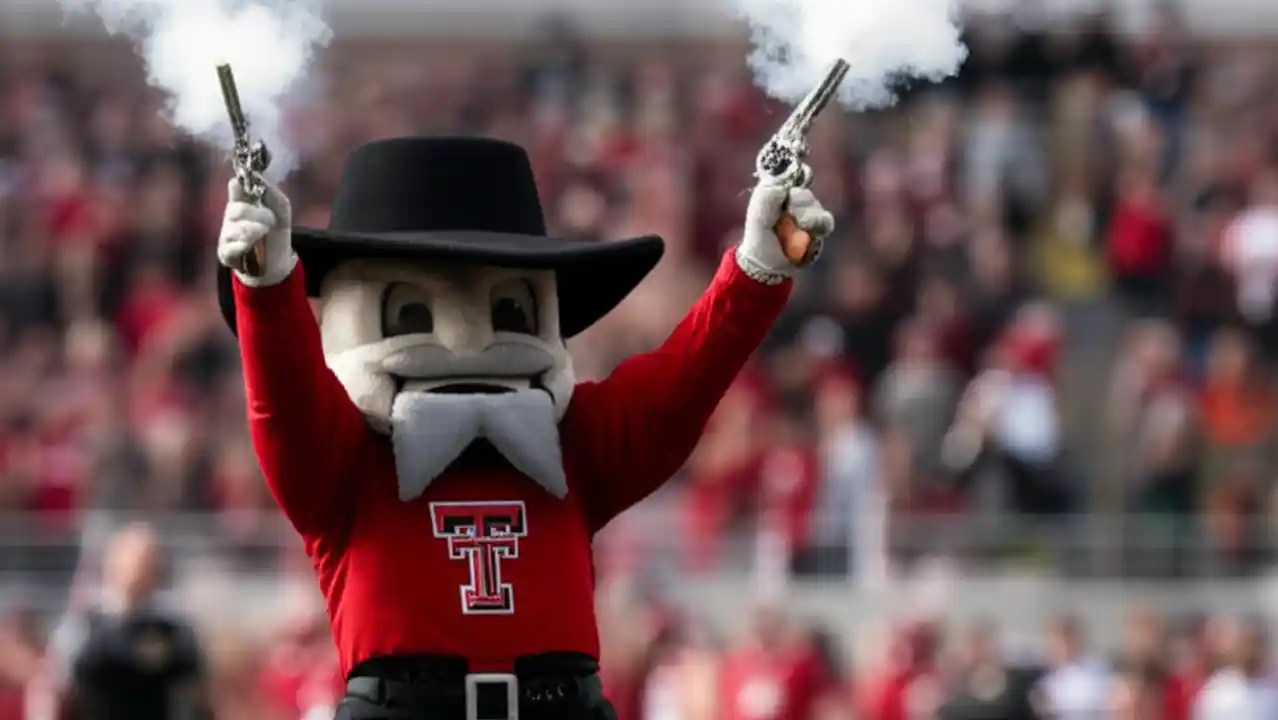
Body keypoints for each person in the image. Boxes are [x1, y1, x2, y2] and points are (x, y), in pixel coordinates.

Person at [214, 136, 835, 719]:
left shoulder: (572, 443)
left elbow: (681, 385)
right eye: (411, 311)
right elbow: (286, 403)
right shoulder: (346, 457)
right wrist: (266, 290)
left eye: (510, 307)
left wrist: (756, 271)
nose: (466, 339)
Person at [39, 523, 209, 720]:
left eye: (150, 561)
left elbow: (197, 691)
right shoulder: (84, 623)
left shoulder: (174, 627)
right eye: (136, 560)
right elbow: (53, 687)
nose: (142, 569)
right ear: (112, 562)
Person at [1193, 617, 1278, 719]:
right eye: (1244, 645)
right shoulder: (1216, 691)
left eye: (1254, 644)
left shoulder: (1274, 690)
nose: (1249, 652)